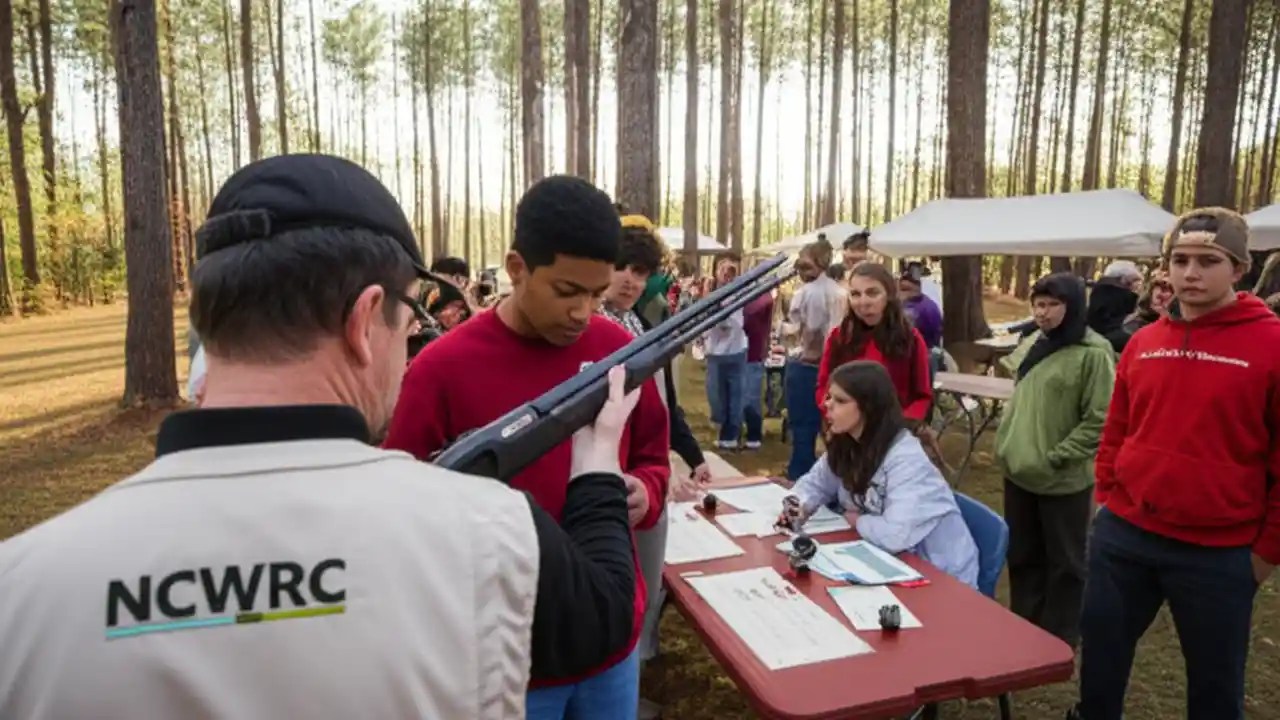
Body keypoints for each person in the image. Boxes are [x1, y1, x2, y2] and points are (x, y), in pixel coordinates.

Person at [0, 155, 643, 719]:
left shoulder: (20, 591)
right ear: (366, 320)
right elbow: (608, 618)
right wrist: (594, 461)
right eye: (411, 316)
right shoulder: (495, 533)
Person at [382, 175, 670, 720]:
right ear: (517, 268)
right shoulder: (440, 369)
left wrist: (645, 491)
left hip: (610, 642)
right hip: (503, 656)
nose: (584, 313)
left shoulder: (619, 352)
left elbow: (653, 455)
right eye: (566, 291)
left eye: (595, 293)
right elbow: (402, 505)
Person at [1069, 208, 1280, 720]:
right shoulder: (1144, 340)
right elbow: (1117, 428)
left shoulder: (1271, 344)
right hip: (1126, 537)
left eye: (1208, 261)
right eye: (1179, 259)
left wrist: (1265, 553)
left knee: (1213, 684)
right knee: (1099, 663)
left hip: (1218, 550)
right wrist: (1109, 501)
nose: (1190, 272)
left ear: (1239, 268)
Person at [599, 214, 706, 720]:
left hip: (645, 475)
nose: (629, 280)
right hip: (606, 481)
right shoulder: (593, 328)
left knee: (645, 578)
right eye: (621, 267)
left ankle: (634, 673)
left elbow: (662, 405)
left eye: (640, 272)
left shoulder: (639, 325)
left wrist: (690, 454)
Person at [994, 272, 1115, 648]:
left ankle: (1059, 635)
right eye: (1039, 304)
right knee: (1024, 554)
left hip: (1061, 478)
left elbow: (1101, 418)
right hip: (1019, 471)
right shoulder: (1037, 342)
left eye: (1053, 305)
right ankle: (1025, 624)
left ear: (1074, 305)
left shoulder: (1092, 354)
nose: (1043, 313)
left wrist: (1058, 457)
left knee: (1065, 562)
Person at [780, 361, 979, 587]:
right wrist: (797, 506)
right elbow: (814, 484)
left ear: (868, 407)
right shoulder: (847, 443)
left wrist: (857, 521)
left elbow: (895, 535)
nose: (827, 405)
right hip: (886, 563)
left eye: (840, 400)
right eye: (829, 397)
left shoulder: (906, 458)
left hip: (940, 576)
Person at [817, 262, 932, 427]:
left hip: (893, 433)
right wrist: (836, 415)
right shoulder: (839, 337)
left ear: (889, 295)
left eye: (872, 293)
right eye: (856, 294)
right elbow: (823, 387)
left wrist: (901, 424)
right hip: (846, 433)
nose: (863, 302)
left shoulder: (910, 339)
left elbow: (922, 396)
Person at [783, 237, 849, 480]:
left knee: (802, 426)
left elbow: (796, 330)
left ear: (821, 264)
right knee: (834, 426)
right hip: (835, 367)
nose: (801, 272)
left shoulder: (805, 294)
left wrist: (785, 332)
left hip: (807, 365)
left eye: (806, 266)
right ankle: (835, 476)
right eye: (799, 266)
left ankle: (801, 475)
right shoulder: (842, 293)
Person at [703, 252, 749, 450]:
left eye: (732, 269)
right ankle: (724, 428)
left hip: (736, 349)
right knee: (716, 395)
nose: (727, 273)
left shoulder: (740, 290)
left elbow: (732, 320)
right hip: (715, 351)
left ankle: (731, 435)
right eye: (723, 268)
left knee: (735, 395)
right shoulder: (710, 291)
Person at [1104, 270, 1173, 353]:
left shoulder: (1181, 328)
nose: (1161, 297)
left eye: (1170, 291)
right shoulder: (1132, 326)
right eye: (1159, 297)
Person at [742, 286, 775, 450]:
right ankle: (733, 432)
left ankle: (754, 434)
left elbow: (753, 314)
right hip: (734, 353)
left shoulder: (763, 298)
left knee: (751, 397)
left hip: (753, 353)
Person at [1085, 260, 1141, 340]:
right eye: (1133, 281)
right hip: (1112, 334)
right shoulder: (1120, 294)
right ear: (1123, 278)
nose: (1134, 285)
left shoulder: (1099, 290)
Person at [898, 264, 943, 350]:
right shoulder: (896, 304)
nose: (902, 293)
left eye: (906, 289)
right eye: (902, 289)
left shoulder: (928, 307)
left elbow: (934, 336)